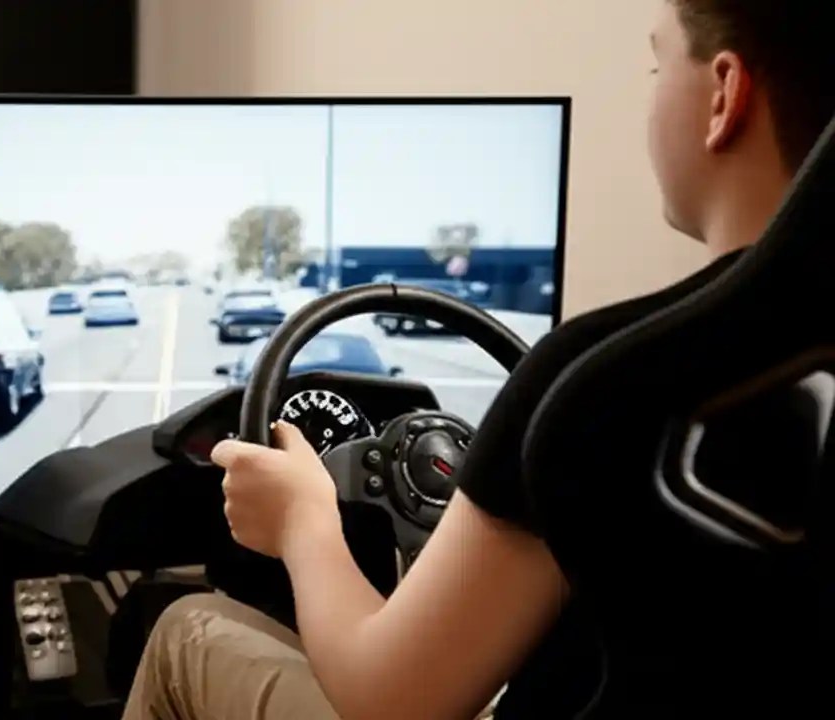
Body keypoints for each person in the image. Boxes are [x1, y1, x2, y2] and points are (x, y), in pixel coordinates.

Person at [121, 1, 835, 719]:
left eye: (657, 66)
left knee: (186, 631)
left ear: (723, 95)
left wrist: (302, 521)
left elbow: (392, 698)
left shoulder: (607, 384)